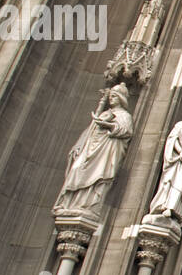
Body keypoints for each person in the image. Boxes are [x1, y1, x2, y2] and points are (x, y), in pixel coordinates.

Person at [53, 83, 133, 219]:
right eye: (110, 96)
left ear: (121, 98)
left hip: (105, 152)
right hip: (90, 149)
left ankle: (89, 206)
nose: (111, 99)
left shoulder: (124, 115)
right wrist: (80, 144)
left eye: (114, 96)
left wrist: (107, 125)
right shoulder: (104, 112)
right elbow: (91, 131)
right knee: (76, 170)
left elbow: (125, 130)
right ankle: (68, 203)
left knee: (98, 176)